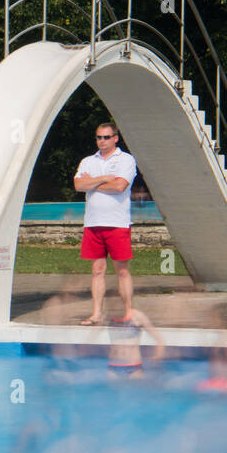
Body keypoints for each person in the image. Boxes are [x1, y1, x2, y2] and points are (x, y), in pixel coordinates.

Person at [74, 122, 137, 325]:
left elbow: (119, 186)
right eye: (99, 137)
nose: (102, 141)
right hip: (93, 223)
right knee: (97, 270)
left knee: (122, 271)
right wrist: (102, 179)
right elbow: (78, 185)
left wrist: (91, 183)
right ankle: (97, 314)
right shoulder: (88, 161)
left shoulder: (125, 159)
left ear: (115, 138)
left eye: (106, 137)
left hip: (117, 223)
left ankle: (129, 313)